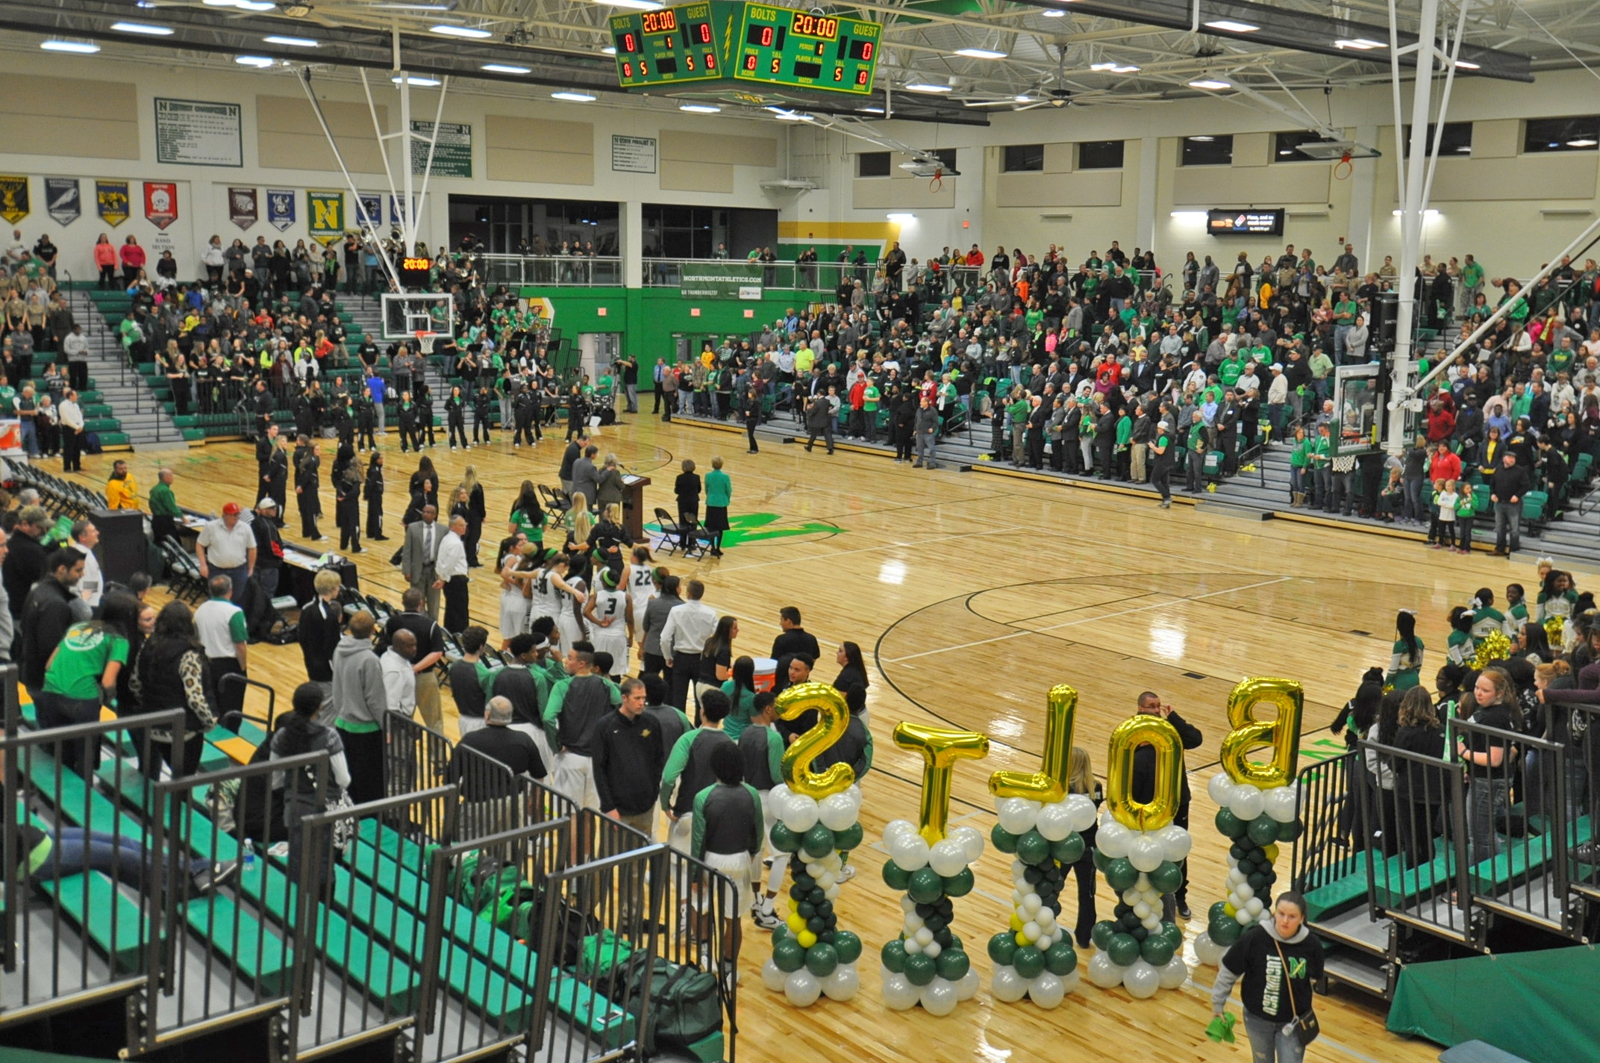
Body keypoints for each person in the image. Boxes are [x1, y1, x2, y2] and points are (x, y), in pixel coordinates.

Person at [1210, 891, 1324, 1063]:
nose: (1285, 920)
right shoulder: (1255, 937)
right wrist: (1218, 1004)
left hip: (1293, 1022)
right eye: (1281, 914)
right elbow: (1229, 969)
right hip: (1257, 1020)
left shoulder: (1312, 945)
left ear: (1302, 918)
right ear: (1274, 913)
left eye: (1292, 916)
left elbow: (1315, 977)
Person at [37, 593, 140, 777]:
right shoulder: (119, 640)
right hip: (82, 699)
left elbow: (49, 664)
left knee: (62, 752)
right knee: (85, 755)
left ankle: (62, 797)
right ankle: (84, 799)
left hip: (50, 691)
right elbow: (109, 681)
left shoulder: (78, 626)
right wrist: (107, 697)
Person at [690, 742, 764, 980]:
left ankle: (704, 954)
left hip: (710, 859)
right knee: (733, 918)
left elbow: (698, 840)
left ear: (715, 767)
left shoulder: (703, 797)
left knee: (699, 906)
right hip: (740, 859)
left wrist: (694, 875)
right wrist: (751, 853)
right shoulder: (752, 794)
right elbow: (758, 831)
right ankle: (729, 968)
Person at [270, 682, 352, 889]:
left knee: (298, 861)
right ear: (320, 706)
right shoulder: (329, 737)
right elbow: (344, 780)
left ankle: (299, 912)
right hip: (324, 811)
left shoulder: (282, 736)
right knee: (324, 865)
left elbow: (275, 780)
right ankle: (324, 911)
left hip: (295, 809)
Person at [1130, 690, 1203, 918]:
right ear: (1141, 708)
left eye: (1158, 705)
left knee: (1179, 850)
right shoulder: (1132, 732)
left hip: (1177, 802)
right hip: (1148, 806)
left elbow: (1195, 739)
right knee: (1148, 851)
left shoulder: (1172, 730)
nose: (1156, 710)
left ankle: (1180, 897)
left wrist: (1175, 718)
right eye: (1151, 706)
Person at [129, 599, 219, 777]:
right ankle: (180, 804)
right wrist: (209, 721)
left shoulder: (148, 645)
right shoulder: (189, 654)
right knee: (184, 779)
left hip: (153, 725)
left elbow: (135, 683)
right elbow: (195, 699)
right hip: (183, 732)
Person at [542, 644, 619, 813]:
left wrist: (555, 745)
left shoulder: (562, 686)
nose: (565, 661)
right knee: (591, 814)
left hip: (570, 756)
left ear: (581, 663)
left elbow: (548, 718)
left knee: (567, 814)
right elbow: (622, 707)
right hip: (598, 760)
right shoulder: (607, 685)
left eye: (569, 658)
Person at [1458, 667, 1520, 867]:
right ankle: (1493, 876)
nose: (1478, 693)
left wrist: (1463, 753)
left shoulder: (1495, 717)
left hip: (1489, 782)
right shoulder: (1489, 710)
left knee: (1479, 836)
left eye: (1485, 690)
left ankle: (1477, 884)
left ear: (1499, 693)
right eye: (1476, 688)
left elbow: (1495, 759)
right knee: (1486, 832)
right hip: (1484, 779)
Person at [660, 689, 734, 854]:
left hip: (688, 811)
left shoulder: (688, 739)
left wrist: (665, 804)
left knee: (679, 867)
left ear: (702, 711)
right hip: (718, 816)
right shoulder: (730, 743)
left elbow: (668, 778)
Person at [592, 677, 663, 839]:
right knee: (608, 859)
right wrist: (608, 806)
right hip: (618, 809)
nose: (641, 703)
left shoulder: (651, 723)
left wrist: (653, 792)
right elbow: (599, 768)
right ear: (624, 698)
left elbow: (659, 759)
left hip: (646, 807)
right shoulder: (605, 726)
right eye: (637, 698)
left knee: (638, 859)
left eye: (644, 698)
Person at [331, 611, 387, 804]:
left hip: (342, 722)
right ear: (373, 630)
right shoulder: (369, 659)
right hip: (366, 731)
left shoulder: (339, 648)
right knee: (369, 789)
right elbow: (375, 700)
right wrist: (385, 725)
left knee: (350, 783)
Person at [18, 548, 82, 706]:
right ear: (62, 569)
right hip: (48, 683)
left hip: (33, 673)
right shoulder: (55, 604)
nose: (82, 575)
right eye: (78, 570)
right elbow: (52, 649)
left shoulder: (38, 590)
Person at [382, 588, 446, 732]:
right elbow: (437, 653)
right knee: (434, 722)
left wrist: (406, 668)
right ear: (421, 603)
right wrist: (415, 669)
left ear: (402, 602)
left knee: (400, 720)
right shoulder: (431, 625)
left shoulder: (392, 622)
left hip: (398, 675)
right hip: (424, 677)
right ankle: (437, 755)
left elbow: (385, 647)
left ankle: (401, 752)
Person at [195, 575, 249, 717]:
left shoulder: (200, 609)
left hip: (206, 663)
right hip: (228, 665)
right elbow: (240, 644)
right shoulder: (234, 612)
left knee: (211, 706)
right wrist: (243, 668)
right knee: (231, 708)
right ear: (230, 591)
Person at [662, 580, 717, 712]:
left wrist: (667, 656)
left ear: (688, 593)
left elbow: (664, 638)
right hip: (701, 660)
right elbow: (717, 639)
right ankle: (699, 728)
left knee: (678, 698)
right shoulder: (711, 613)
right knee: (700, 699)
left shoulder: (676, 611)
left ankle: (679, 728)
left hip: (681, 659)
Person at [298, 569, 344, 721]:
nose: (339, 589)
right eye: (338, 586)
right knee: (328, 713)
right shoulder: (328, 615)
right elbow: (332, 648)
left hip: (311, 665)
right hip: (326, 671)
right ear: (331, 589)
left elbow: (302, 638)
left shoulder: (306, 608)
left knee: (319, 707)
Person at [195, 502, 256, 608]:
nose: (237, 517)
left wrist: (251, 567)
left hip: (239, 571)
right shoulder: (211, 527)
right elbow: (200, 544)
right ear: (225, 515)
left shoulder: (245, 528)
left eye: (238, 514)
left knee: (237, 601)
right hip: (217, 570)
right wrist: (203, 565)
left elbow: (252, 548)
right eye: (234, 514)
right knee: (216, 601)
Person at [447, 627, 496, 737]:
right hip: (480, 722)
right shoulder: (484, 673)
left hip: (462, 719)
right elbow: (489, 703)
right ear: (481, 646)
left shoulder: (453, 667)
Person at [400, 503, 444, 619]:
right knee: (418, 603)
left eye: (429, 512)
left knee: (434, 604)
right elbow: (407, 551)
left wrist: (443, 574)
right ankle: (420, 626)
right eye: (424, 511)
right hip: (417, 570)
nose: (425, 514)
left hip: (434, 571)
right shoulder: (413, 528)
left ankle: (433, 627)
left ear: (434, 515)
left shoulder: (442, 530)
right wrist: (406, 570)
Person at [1489, 450, 1529, 555]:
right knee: (1499, 527)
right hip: (1499, 503)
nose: (1512, 460)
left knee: (1514, 529)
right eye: (1509, 457)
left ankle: (1513, 551)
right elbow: (1492, 483)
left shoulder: (1520, 471)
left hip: (1513, 505)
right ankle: (1499, 549)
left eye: (1513, 458)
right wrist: (1492, 494)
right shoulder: (1498, 469)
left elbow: (1526, 485)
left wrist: (1517, 495)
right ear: (1504, 459)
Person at [437, 514, 471, 635]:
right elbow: (449, 562)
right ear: (452, 527)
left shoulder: (447, 539)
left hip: (450, 580)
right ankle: (460, 636)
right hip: (456, 580)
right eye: (461, 525)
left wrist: (441, 576)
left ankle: (449, 633)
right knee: (460, 611)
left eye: (464, 525)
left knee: (451, 609)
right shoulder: (455, 543)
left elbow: (440, 560)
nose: (464, 527)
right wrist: (443, 578)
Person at [380, 628, 418, 721]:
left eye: (415, 645)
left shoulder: (393, 655)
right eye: (410, 646)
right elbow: (390, 707)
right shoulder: (394, 671)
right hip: (399, 722)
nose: (414, 649)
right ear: (397, 647)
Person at [1386, 610, 1425, 691]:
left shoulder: (1399, 645)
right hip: (1415, 680)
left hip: (1400, 683)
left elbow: (1392, 671)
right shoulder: (1419, 642)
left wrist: (1385, 688)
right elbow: (1419, 666)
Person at [704, 457, 731, 557]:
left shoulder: (708, 475)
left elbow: (706, 488)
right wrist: (727, 499)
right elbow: (728, 489)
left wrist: (710, 497)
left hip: (711, 502)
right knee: (720, 527)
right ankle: (718, 548)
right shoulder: (725, 476)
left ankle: (712, 547)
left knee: (711, 526)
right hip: (721, 503)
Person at [148, 468, 181, 544]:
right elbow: (171, 507)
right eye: (171, 476)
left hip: (156, 520)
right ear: (165, 477)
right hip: (165, 523)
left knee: (159, 544)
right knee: (174, 545)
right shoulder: (166, 491)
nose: (172, 478)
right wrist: (182, 516)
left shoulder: (154, 489)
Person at [674, 459, 701, 550]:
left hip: (682, 501)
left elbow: (676, 491)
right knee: (693, 522)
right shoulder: (697, 477)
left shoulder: (679, 477)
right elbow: (699, 490)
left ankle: (682, 543)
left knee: (683, 522)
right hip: (693, 501)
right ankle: (692, 543)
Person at [913, 395, 939, 469]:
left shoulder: (932, 410)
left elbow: (936, 422)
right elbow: (916, 420)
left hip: (928, 433)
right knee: (919, 448)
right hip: (919, 432)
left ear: (926, 402)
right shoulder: (919, 410)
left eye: (922, 401)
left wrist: (932, 428)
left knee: (931, 448)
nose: (920, 403)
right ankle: (919, 462)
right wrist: (915, 429)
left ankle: (932, 463)